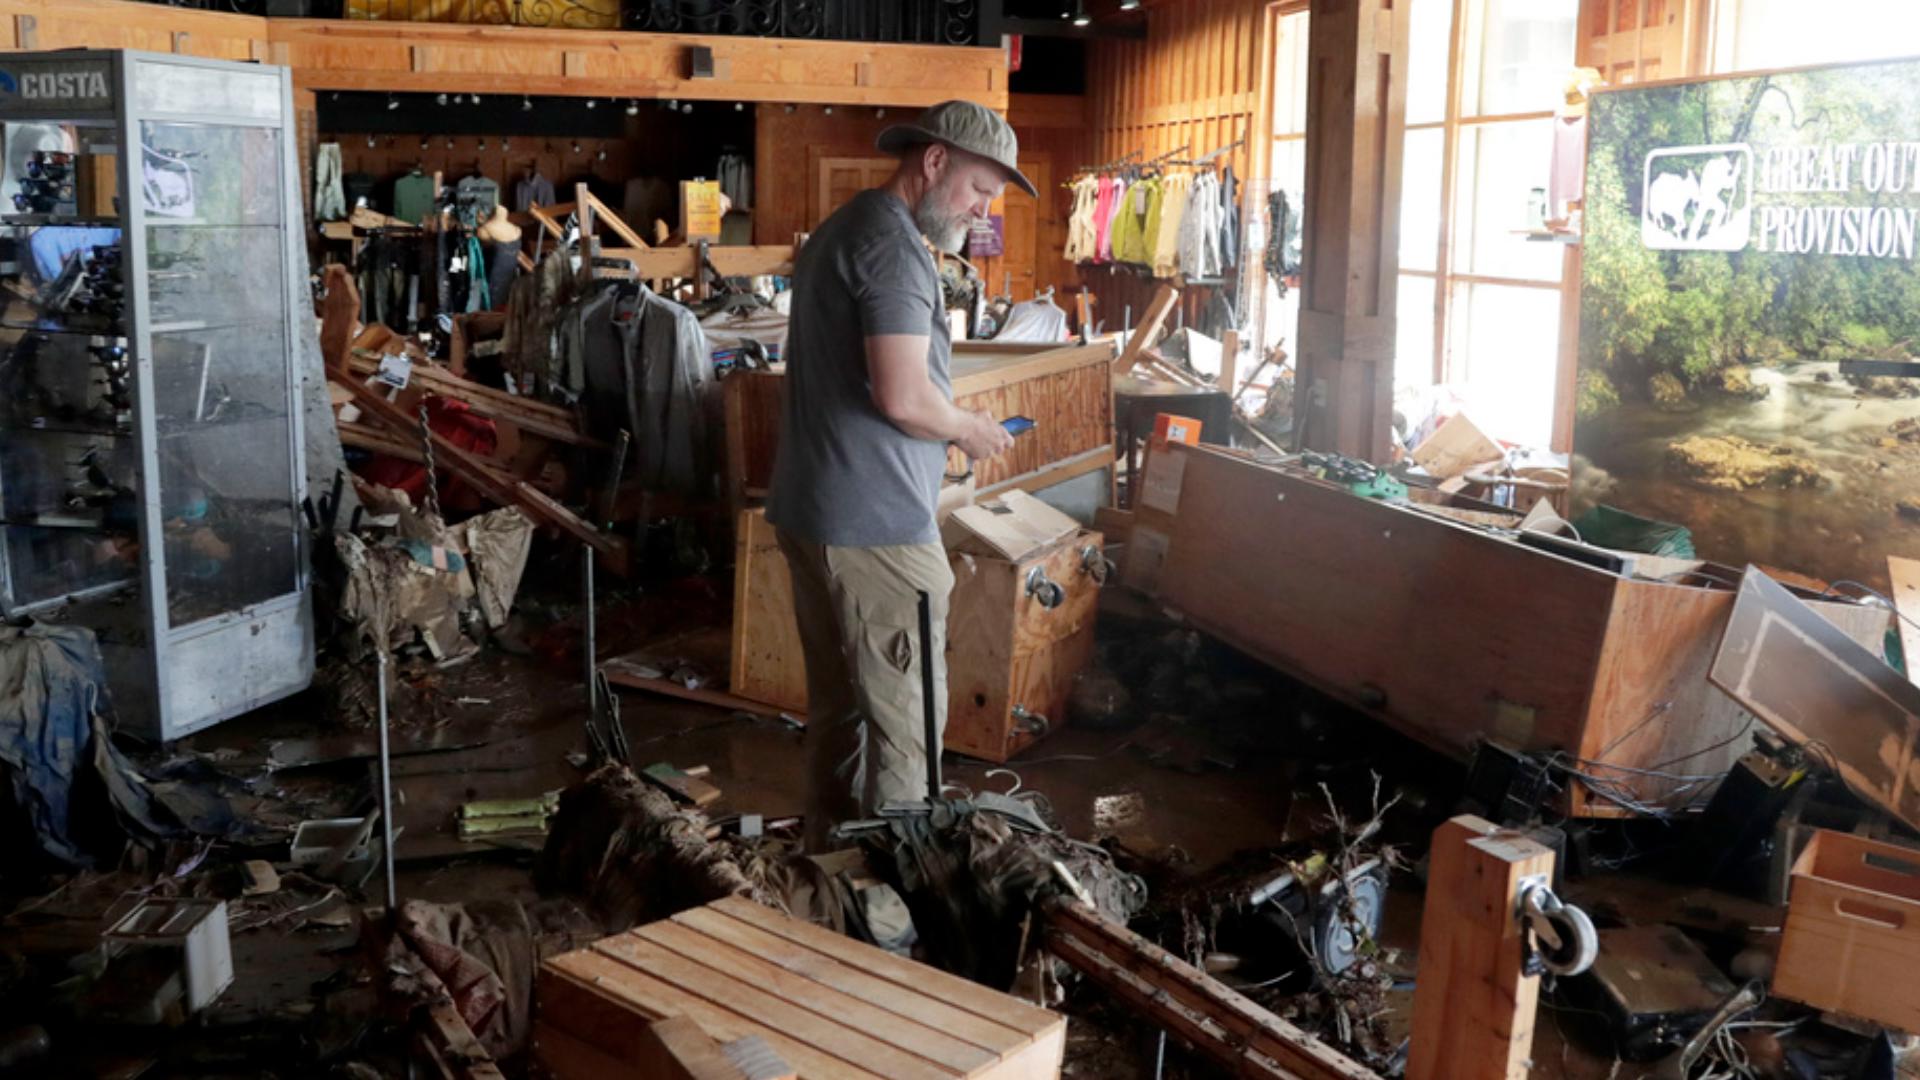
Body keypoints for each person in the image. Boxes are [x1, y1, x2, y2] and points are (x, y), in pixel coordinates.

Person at [766, 100, 1036, 851]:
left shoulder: (843, 229)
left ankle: (831, 871)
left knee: (842, 712)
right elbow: (904, 397)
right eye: (980, 190)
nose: (984, 211)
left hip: (815, 507)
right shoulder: (894, 251)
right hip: (876, 530)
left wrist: (929, 430)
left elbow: (876, 392)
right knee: (908, 733)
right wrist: (966, 427)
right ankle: (892, 911)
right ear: (936, 161)